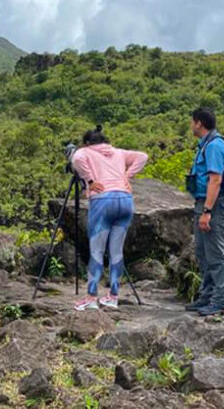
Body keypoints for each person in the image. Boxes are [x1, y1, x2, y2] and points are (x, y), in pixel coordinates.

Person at [69, 125, 148, 311]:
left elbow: (76, 158)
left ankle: (91, 297)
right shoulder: (118, 152)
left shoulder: (85, 151)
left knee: (97, 251)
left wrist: (90, 180)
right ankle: (113, 297)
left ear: (87, 143)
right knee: (116, 251)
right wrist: (127, 176)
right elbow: (143, 156)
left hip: (103, 200)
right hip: (125, 200)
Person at [184, 108, 224, 316]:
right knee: (203, 252)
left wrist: (207, 211)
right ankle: (207, 296)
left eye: (192, 121)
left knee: (216, 252)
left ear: (199, 123)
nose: (191, 125)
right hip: (203, 202)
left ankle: (221, 301)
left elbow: (215, 179)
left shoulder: (214, 145)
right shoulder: (205, 145)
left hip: (213, 204)